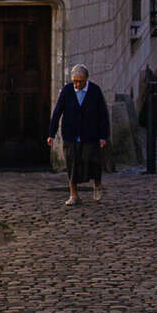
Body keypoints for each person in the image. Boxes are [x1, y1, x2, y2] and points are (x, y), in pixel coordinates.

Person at [47, 64, 110, 206]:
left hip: (90, 134)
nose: (77, 84)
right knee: (72, 164)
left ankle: (97, 185)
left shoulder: (95, 91)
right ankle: (74, 195)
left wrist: (103, 136)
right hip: (71, 134)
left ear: (86, 79)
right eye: (75, 81)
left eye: (80, 81)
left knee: (93, 162)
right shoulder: (67, 91)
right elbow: (57, 112)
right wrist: (51, 133)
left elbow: (103, 115)